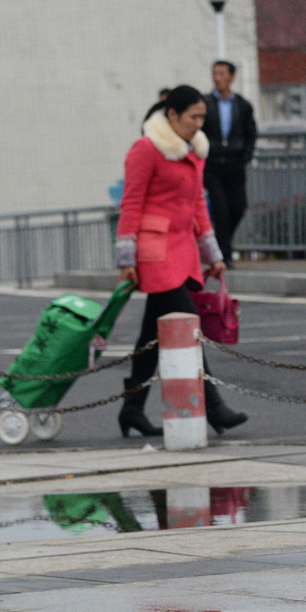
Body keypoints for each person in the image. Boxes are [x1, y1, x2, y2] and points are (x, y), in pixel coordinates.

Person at [115, 85, 248, 438]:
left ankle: (131, 409)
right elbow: (130, 203)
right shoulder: (145, 149)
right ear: (172, 116)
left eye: (203, 116)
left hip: (183, 250)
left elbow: (198, 205)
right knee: (187, 323)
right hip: (155, 252)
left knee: (152, 336)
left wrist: (213, 254)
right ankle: (214, 406)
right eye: (194, 116)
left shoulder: (194, 150)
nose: (200, 123)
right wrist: (126, 258)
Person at [202, 60, 258, 267]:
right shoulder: (206, 103)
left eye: (222, 74)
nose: (217, 78)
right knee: (220, 209)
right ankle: (224, 253)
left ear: (231, 77)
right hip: (213, 165)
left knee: (238, 207)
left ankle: (220, 242)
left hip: (235, 164)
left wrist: (246, 155)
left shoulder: (242, 105)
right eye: (215, 73)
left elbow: (251, 132)